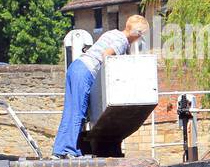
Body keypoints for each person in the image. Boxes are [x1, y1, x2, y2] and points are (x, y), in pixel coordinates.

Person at [51, 14, 149, 158]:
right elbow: (106, 55)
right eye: (141, 35)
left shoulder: (113, 33)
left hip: (77, 67)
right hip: (85, 71)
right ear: (136, 33)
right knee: (78, 112)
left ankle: (65, 149)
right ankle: (66, 150)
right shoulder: (122, 41)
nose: (140, 39)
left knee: (72, 110)